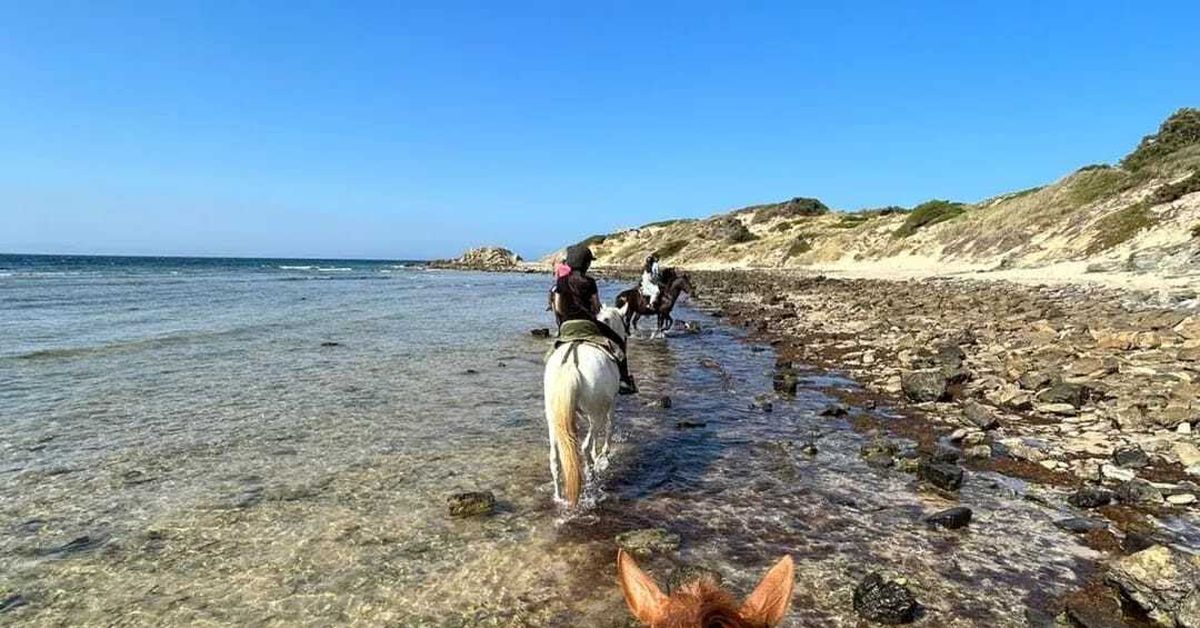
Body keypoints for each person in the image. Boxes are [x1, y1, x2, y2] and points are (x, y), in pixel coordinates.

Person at [554, 245, 638, 394]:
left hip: (567, 325)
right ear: (587, 264)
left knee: (553, 351)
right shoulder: (590, 282)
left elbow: (559, 307)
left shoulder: (561, 281)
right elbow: (597, 307)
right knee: (619, 341)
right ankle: (624, 380)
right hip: (589, 324)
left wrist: (566, 316)